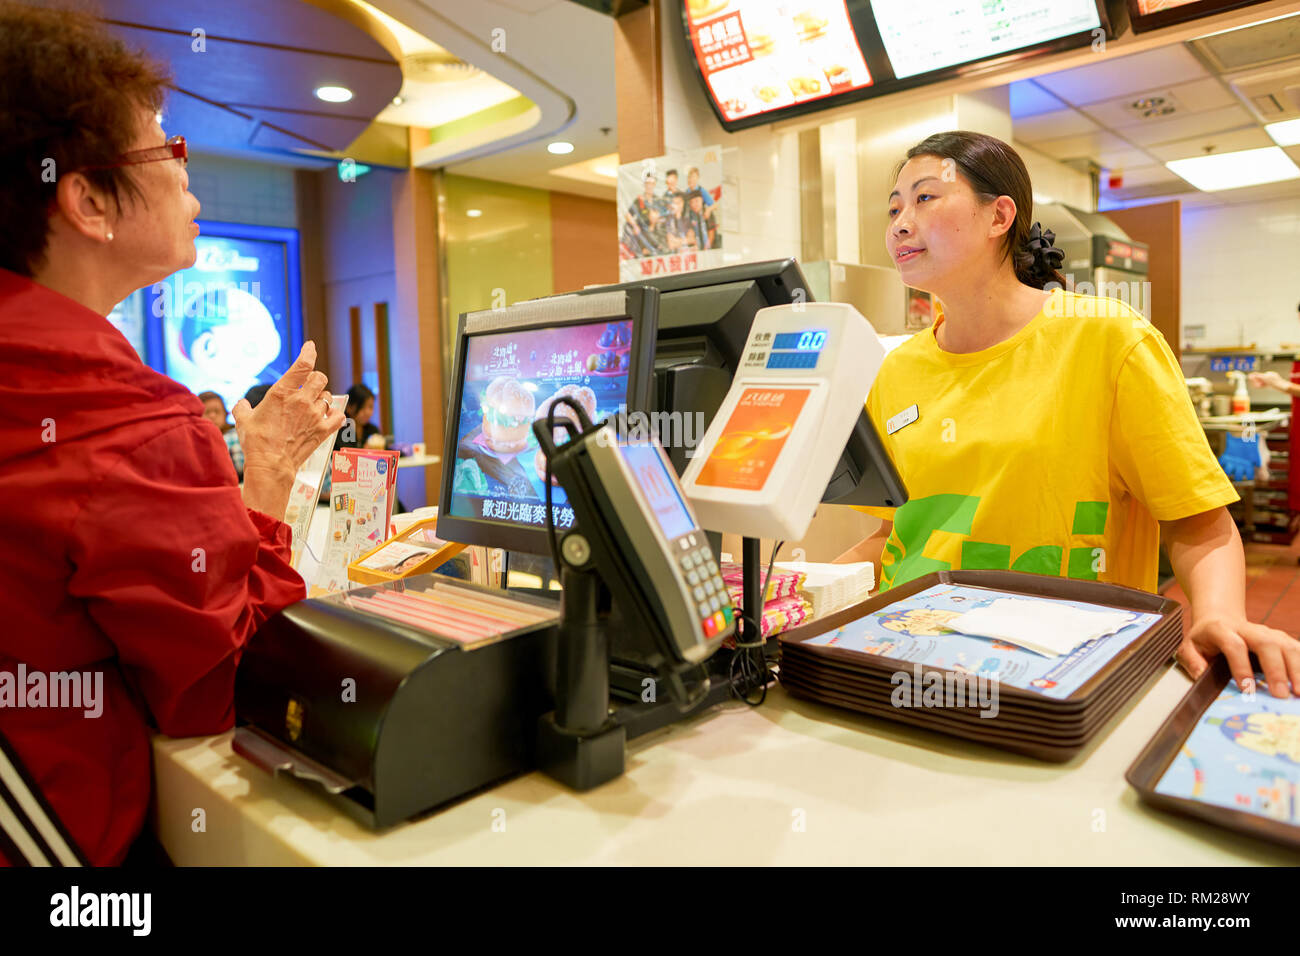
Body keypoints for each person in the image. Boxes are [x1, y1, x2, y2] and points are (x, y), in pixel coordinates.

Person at [0, 3, 344, 866]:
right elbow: (224, 686)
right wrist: (267, 476)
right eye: (170, 152)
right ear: (87, 201)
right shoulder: (123, 414)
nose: (192, 183)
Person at [835, 130, 1299, 700]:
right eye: (894, 209)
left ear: (999, 215)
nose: (901, 224)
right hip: (910, 661)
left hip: (1064, 672)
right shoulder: (897, 368)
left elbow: (1197, 519)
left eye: (925, 198)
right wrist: (795, 591)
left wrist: (1218, 615)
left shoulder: (1109, 340)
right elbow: (894, 535)